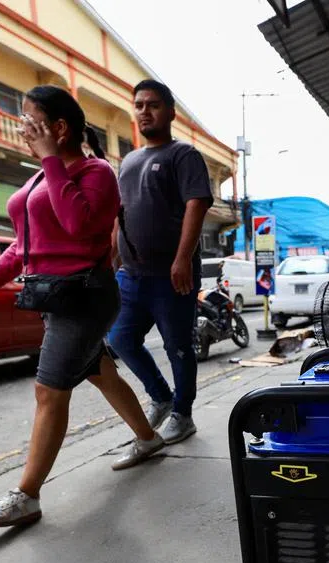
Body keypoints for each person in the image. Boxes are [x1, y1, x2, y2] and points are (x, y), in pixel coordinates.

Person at [0, 85, 163, 528]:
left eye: (29, 118)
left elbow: (80, 227)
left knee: (49, 391)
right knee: (99, 371)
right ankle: (147, 437)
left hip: (84, 294)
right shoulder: (40, 178)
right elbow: (24, 246)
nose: (22, 125)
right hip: (52, 293)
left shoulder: (96, 171)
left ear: (59, 128)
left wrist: (49, 159)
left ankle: (26, 496)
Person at [108, 79, 212, 445]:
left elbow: (196, 204)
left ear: (170, 112)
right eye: (138, 105)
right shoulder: (130, 161)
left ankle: (183, 414)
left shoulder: (183, 155)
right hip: (130, 275)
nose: (144, 111)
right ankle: (162, 397)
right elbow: (119, 216)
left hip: (172, 275)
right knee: (119, 338)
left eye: (152, 104)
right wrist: (111, 260)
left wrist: (183, 258)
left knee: (178, 345)